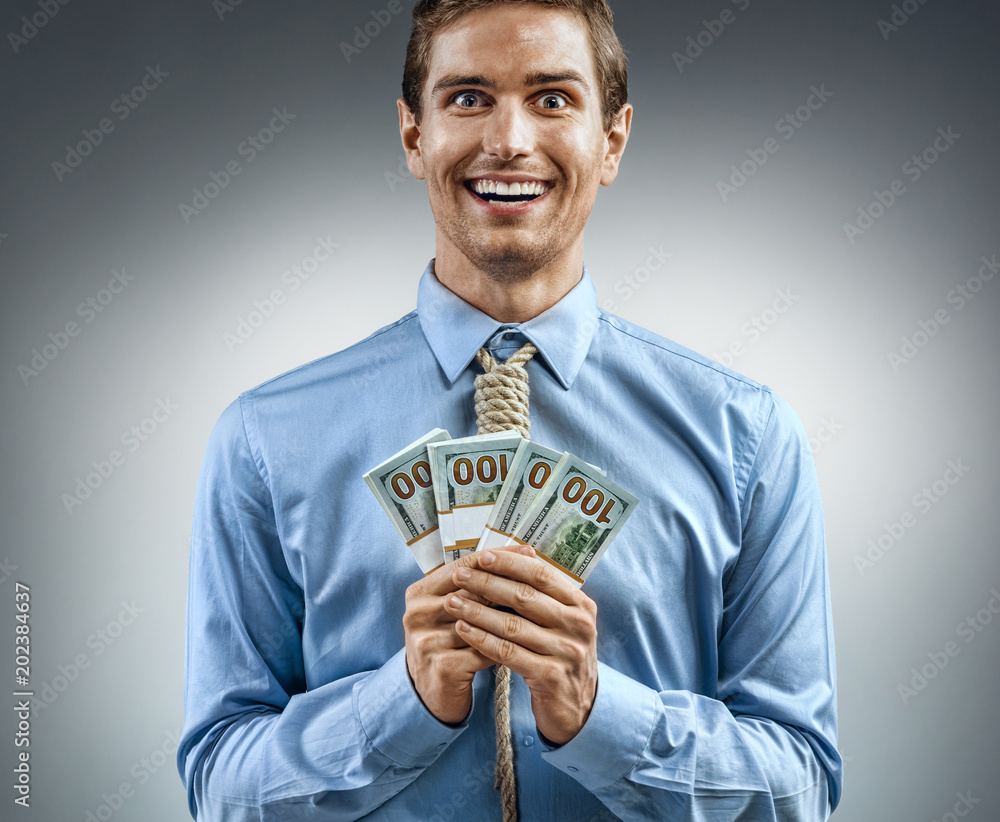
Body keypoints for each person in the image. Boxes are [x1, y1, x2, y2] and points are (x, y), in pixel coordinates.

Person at [177, 1, 843, 819]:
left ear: (612, 141)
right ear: (414, 135)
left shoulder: (748, 436)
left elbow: (801, 788)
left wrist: (599, 714)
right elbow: (220, 788)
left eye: (553, 98)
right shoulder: (264, 440)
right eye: (468, 97)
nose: (509, 140)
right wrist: (401, 705)